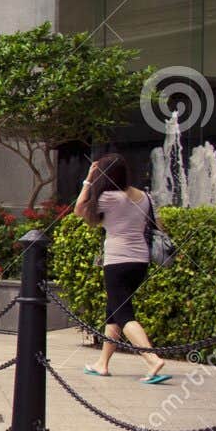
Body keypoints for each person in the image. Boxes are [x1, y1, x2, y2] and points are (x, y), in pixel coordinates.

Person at [75, 153, 170, 383]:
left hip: (117, 261)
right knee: (114, 313)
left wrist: (88, 179)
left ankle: (152, 360)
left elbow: (79, 209)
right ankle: (102, 364)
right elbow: (157, 224)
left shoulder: (109, 197)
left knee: (124, 314)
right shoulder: (144, 196)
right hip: (140, 261)